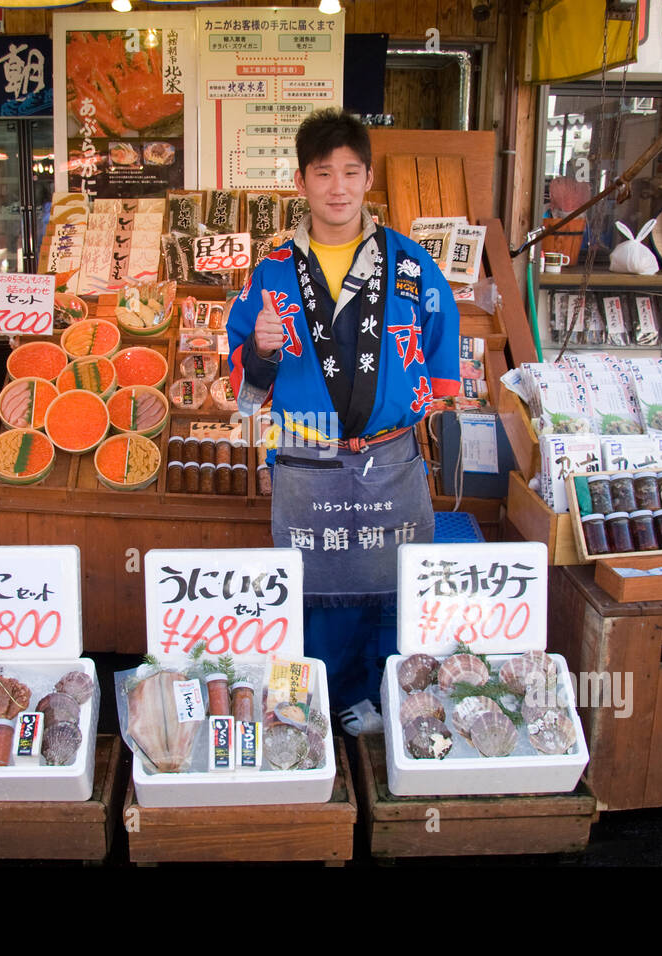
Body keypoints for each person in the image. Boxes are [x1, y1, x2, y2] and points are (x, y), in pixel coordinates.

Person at [227, 108, 461, 732]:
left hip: (390, 457)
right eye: (323, 173)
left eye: (350, 172)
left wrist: (412, 404)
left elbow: (440, 341)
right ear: (300, 182)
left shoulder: (411, 265)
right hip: (308, 457)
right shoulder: (273, 271)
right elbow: (245, 382)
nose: (338, 187)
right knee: (310, 585)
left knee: (393, 583)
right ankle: (310, 707)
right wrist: (261, 351)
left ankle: (390, 703)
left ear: (368, 178)